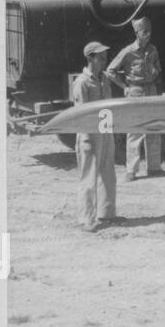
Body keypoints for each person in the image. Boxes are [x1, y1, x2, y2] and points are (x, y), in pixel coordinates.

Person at [106, 16, 163, 180]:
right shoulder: (128, 51)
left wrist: (155, 71)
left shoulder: (153, 50)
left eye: (150, 31)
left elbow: (158, 67)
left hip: (151, 90)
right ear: (137, 33)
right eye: (145, 32)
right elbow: (111, 71)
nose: (148, 34)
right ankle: (131, 171)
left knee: (154, 129)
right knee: (135, 131)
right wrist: (124, 87)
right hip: (135, 92)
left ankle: (154, 168)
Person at [71, 42, 118, 231]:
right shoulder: (82, 82)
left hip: (105, 129)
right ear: (90, 58)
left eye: (105, 56)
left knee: (107, 171)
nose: (104, 60)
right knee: (89, 176)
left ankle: (106, 213)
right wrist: (86, 137)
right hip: (90, 133)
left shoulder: (104, 79)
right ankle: (87, 219)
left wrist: (109, 131)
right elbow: (80, 113)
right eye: (100, 57)